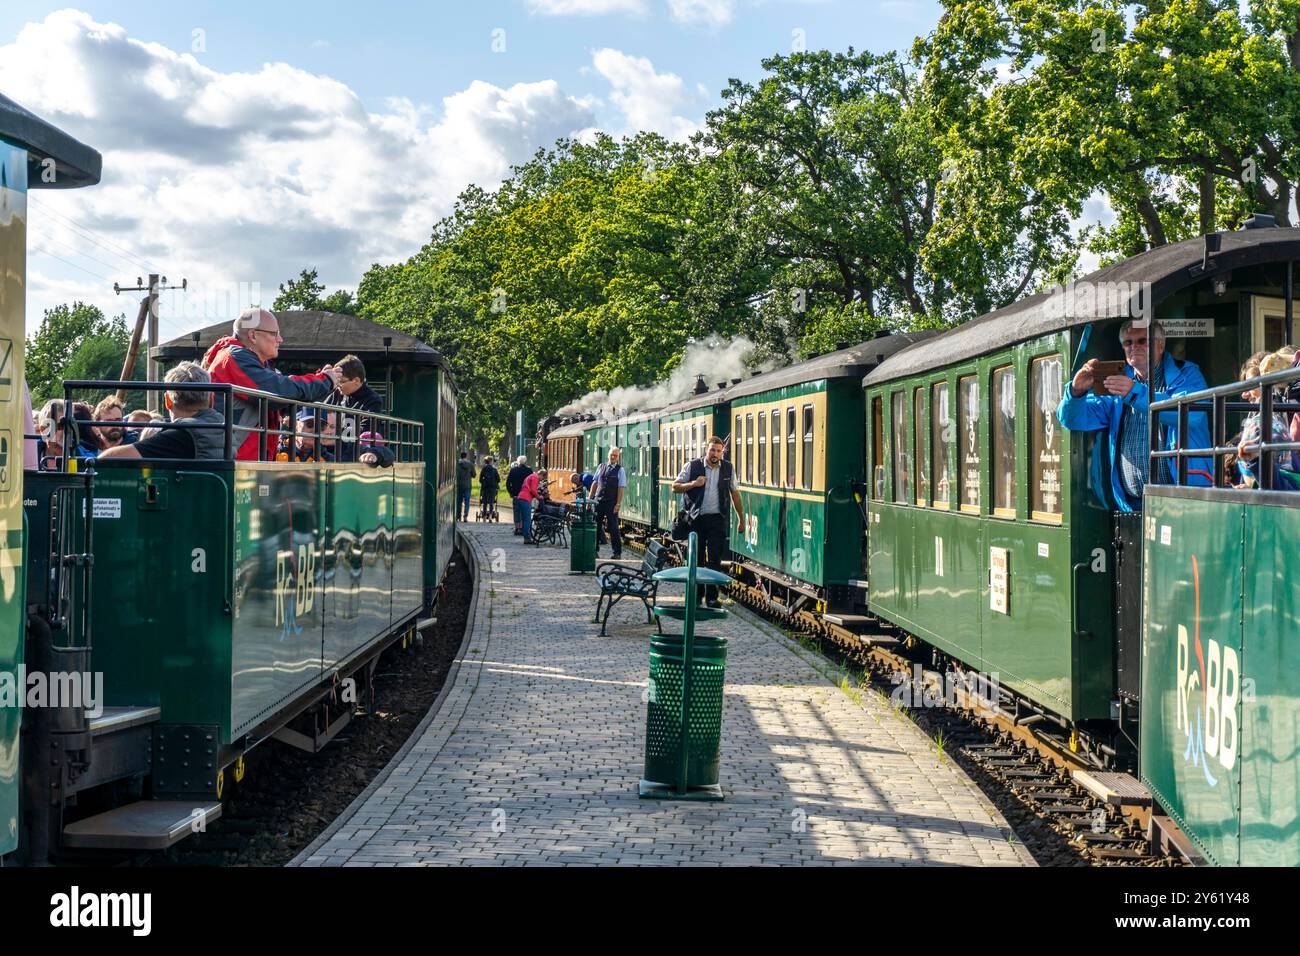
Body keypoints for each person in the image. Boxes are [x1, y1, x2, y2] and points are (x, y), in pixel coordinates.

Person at [1056, 319, 1211, 511]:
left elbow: (1192, 415)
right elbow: (1073, 419)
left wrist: (1135, 393)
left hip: (1184, 500)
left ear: (1160, 345)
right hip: (1133, 505)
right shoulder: (1119, 380)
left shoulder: (1186, 373)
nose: (1134, 347)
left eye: (1142, 341)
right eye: (1128, 343)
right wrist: (1076, 391)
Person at [203, 307, 341, 461]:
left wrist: (321, 379)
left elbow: (282, 392)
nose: (280, 339)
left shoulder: (248, 361)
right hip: (237, 462)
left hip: (244, 461)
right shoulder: (234, 358)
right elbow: (279, 392)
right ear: (253, 335)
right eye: (275, 334)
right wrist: (325, 380)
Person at [99, 363, 228, 461]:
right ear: (211, 399)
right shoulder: (225, 426)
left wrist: (145, 441)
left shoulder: (180, 435)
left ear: (168, 401)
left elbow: (105, 459)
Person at [671, 436, 745, 608]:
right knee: (695, 560)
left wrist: (741, 518)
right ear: (706, 449)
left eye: (719, 451)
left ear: (722, 452)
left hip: (717, 519)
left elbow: (735, 494)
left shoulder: (727, 468)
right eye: (712, 450)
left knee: (714, 559)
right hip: (695, 519)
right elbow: (675, 487)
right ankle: (696, 596)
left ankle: (711, 597)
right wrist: (693, 484)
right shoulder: (693, 466)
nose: (715, 454)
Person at [1236, 349, 1300, 489]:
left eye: (1251, 385)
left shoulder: (1273, 422)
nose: (1244, 395)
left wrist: (1289, 359)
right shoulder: (1258, 417)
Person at [326, 354, 383, 461]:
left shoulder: (373, 400)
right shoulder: (336, 393)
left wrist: (333, 431)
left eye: (341, 381)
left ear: (356, 381)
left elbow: (366, 433)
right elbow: (320, 413)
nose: (337, 385)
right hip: (327, 453)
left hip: (352, 456)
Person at [592, 447, 627, 559]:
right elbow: (595, 483)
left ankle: (617, 553)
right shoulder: (601, 466)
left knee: (613, 528)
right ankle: (594, 550)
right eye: (612, 454)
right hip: (598, 501)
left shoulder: (620, 470)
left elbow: (621, 488)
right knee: (596, 526)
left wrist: (618, 503)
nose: (613, 457)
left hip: (611, 502)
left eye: (615, 455)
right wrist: (590, 499)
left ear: (618, 457)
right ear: (608, 455)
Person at [505, 455, 533, 535]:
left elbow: (508, 483)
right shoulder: (529, 471)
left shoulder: (513, 470)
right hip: (526, 495)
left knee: (516, 512)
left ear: (518, 461)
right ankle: (524, 529)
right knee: (525, 513)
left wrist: (511, 492)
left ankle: (517, 528)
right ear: (525, 461)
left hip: (516, 494)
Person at [517, 466, 542, 541]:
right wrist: (539, 497)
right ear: (541, 475)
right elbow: (533, 490)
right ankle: (527, 537)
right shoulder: (535, 478)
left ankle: (526, 536)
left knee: (524, 519)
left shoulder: (531, 476)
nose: (540, 480)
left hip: (521, 497)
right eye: (542, 478)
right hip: (525, 499)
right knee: (527, 519)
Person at [456, 451, 476, 521]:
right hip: (467, 485)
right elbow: (474, 475)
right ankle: (465, 516)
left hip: (459, 485)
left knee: (459, 501)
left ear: (461, 456)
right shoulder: (470, 464)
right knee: (467, 502)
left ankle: (458, 516)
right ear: (466, 456)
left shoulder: (457, 464)